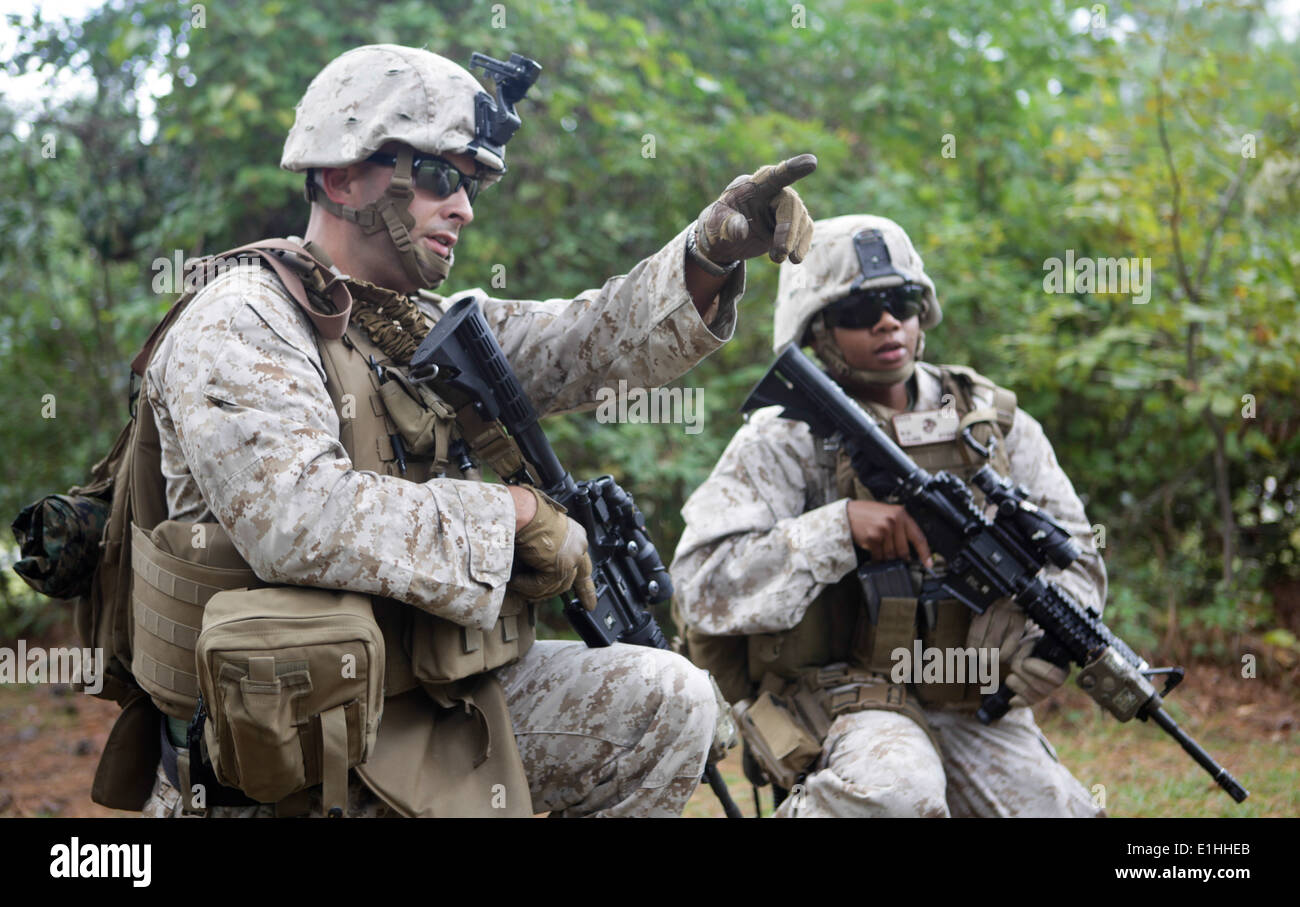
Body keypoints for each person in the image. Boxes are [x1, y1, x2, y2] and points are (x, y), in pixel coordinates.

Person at [119, 44, 814, 817]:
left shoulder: (405, 325)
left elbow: (584, 342)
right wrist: (513, 518)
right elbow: (294, 516)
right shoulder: (241, 318)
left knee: (665, 701)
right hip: (286, 754)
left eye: (471, 184)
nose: (464, 207)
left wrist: (709, 251)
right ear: (344, 175)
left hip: (421, 699)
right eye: (440, 177)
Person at [671, 214, 1105, 817]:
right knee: (895, 794)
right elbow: (699, 587)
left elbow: (1077, 556)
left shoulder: (994, 427)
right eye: (858, 311)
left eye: (901, 302)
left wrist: (1048, 647)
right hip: (841, 697)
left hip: (965, 696)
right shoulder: (782, 439)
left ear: (922, 313)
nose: (886, 322)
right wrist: (837, 529)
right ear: (817, 328)